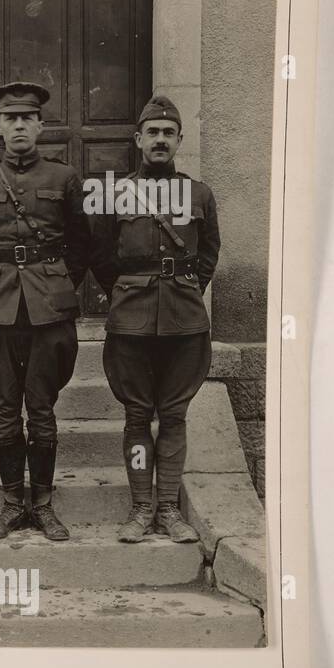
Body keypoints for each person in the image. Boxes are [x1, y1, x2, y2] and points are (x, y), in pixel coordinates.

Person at [0, 82, 91, 542]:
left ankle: (45, 504)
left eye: (26, 118)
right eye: (9, 119)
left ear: (39, 125)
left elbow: (82, 246)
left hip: (48, 312)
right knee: (4, 407)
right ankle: (13, 504)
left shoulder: (64, 178)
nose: (18, 125)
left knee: (43, 407)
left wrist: (54, 285)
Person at [91, 94, 221, 543]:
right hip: (130, 323)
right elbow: (103, 257)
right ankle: (141, 509)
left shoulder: (200, 194)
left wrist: (186, 291)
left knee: (175, 415)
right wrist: (129, 293)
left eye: (169, 133)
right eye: (153, 133)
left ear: (179, 140)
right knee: (136, 415)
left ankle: (169, 508)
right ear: (138, 139)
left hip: (185, 324)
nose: (160, 140)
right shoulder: (113, 194)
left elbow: (208, 255)